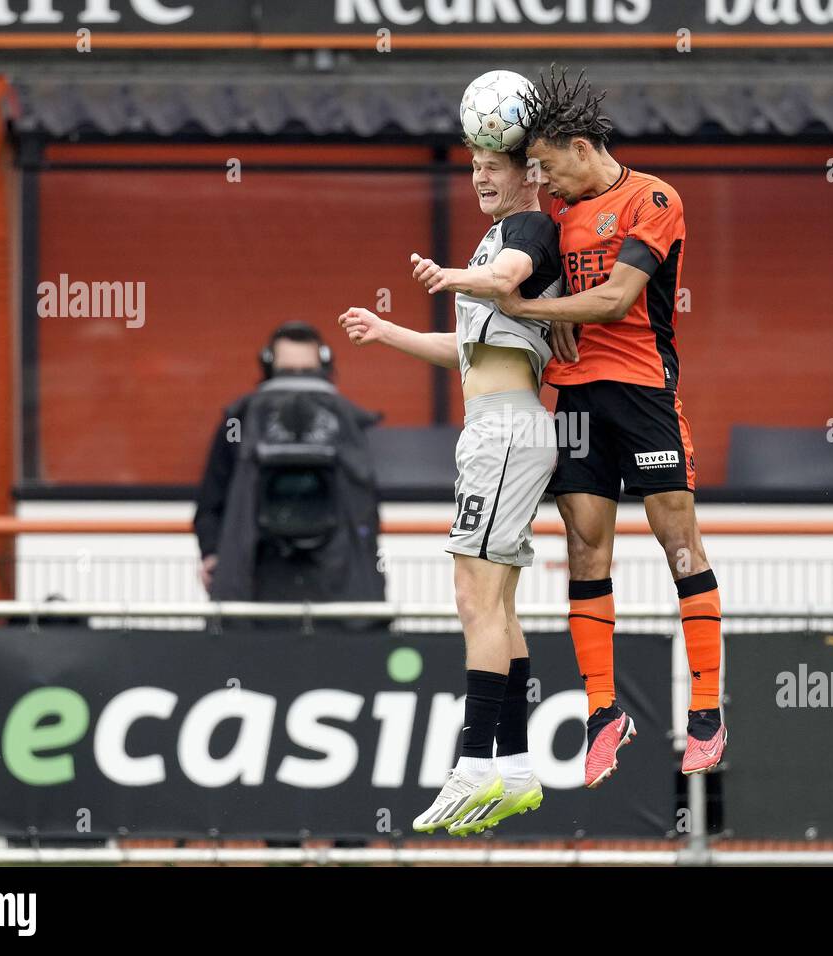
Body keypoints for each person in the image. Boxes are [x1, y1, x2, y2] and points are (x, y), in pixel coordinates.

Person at [493, 67, 727, 787]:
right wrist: (545, 301)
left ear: (581, 146)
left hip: (644, 394)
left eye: (547, 165)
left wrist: (531, 313)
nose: (542, 182)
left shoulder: (653, 198)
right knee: (585, 548)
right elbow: (542, 275)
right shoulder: (554, 214)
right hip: (577, 401)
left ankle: (708, 710)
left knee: (678, 543)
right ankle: (603, 713)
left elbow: (618, 298)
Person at [337, 135, 562, 835]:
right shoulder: (494, 241)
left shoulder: (527, 230)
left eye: (494, 166)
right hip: (498, 425)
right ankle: (518, 769)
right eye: (475, 167)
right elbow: (465, 352)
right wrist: (387, 330)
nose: (481, 178)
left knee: (473, 598)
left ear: (531, 173)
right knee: (497, 605)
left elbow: (507, 278)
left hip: (504, 432)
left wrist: (449, 274)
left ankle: (474, 763)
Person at [193, 322, 385, 605]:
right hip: (277, 573)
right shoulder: (240, 420)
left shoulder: (240, 417)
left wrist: (215, 555)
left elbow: (211, 501)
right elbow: (214, 496)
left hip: (284, 578)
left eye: (305, 373)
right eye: (289, 373)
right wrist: (211, 550)